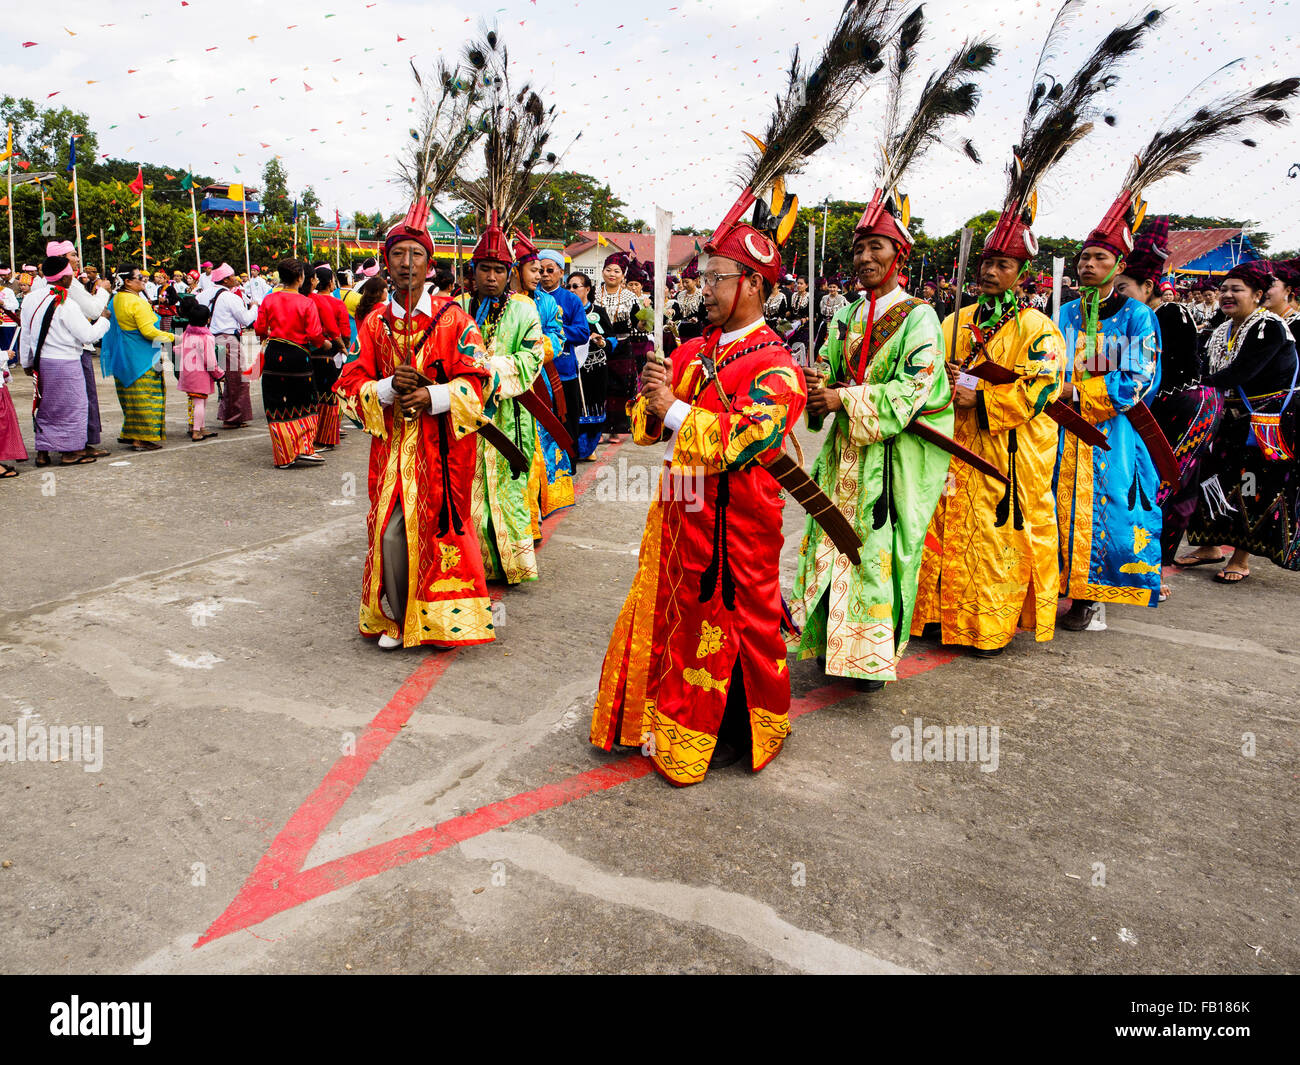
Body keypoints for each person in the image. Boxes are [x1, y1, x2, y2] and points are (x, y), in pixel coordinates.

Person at [590, 218, 807, 785]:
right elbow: (646, 430)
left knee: (732, 616)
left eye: (716, 278)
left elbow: (746, 439)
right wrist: (652, 392)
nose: (703, 288)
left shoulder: (777, 365)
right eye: (703, 278)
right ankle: (668, 720)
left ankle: (732, 731)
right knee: (673, 611)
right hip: (681, 501)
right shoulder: (690, 350)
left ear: (754, 283)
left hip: (736, 517)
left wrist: (674, 409)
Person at [791, 182, 953, 691]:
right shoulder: (844, 314)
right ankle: (829, 642)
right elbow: (825, 366)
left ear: (898, 253)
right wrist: (815, 385)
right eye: (858, 248)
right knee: (829, 545)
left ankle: (867, 658)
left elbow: (913, 389)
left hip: (888, 460)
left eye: (875, 247)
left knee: (876, 551)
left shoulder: (921, 317)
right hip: (843, 454)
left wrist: (844, 399)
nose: (864, 257)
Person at [911, 142, 1067, 657]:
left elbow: (1042, 387)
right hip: (951, 444)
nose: (991, 272)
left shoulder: (1037, 328)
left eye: (1002, 265)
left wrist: (977, 393)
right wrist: (943, 385)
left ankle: (986, 627)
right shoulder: (953, 320)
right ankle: (935, 616)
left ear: (1022, 273)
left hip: (1005, 450)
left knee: (994, 538)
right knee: (941, 525)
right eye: (986, 262)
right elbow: (925, 374)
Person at [334, 206, 497, 651]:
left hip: (441, 451)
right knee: (389, 531)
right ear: (387, 263)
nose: (407, 263)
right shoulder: (373, 323)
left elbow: (483, 382)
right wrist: (385, 387)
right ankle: (404, 617)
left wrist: (434, 396)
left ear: (430, 265)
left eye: (416, 255)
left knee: (440, 527)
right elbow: (347, 386)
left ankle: (439, 619)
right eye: (399, 255)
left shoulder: (455, 321)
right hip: (391, 453)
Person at [1055, 220, 1162, 628]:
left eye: (1100, 258)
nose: (1089, 264)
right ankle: (1060, 585)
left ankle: (1092, 594)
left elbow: (1139, 377)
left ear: (1118, 267)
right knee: (1056, 505)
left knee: (1111, 509)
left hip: (1111, 432)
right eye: (1084, 257)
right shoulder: (1064, 312)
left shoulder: (1137, 316)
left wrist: (1079, 391)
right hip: (1060, 427)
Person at [1115, 218, 1223, 598]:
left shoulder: (1165, 315)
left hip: (1184, 406)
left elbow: (1149, 375)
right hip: (1167, 406)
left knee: (1164, 488)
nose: (1118, 294)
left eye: (1123, 287)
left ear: (1147, 287)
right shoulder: (1139, 316)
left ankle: (1153, 571)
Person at [1182, 261, 1300, 578]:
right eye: (1224, 289)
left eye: (1237, 289)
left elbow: (1242, 372)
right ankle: (1209, 546)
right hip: (1227, 418)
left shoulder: (1269, 327)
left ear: (1258, 294)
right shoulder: (1222, 330)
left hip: (1262, 423)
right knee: (1212, 478)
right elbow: (1206, 367)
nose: (1227, 295)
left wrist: (1196, 387)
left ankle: (1241, 559)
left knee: (1250, 486)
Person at [457, 214, 546, 584]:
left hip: (509, 417)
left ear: (509, 272)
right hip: (464, 416)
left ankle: (513, 564)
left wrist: (490, 370)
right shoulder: (457, 307)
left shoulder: (524, 308)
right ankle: (474, 564)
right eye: (484, 269)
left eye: (498, 270)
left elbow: (533, 357)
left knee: (508, 490)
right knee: (465, 488)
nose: (491, 277)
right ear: (473, 271)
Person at [19, 255, 111, 466]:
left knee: (46, 406)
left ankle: (43, 450)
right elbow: (87, 335)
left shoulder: (31, 298)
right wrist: (104, 320)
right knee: (72, 408)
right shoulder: (65, 303)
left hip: (42, 361)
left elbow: (26, 333)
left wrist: (27, 361)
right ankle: (70, 451)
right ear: (65, 278)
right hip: (65, 362)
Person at [516, 239, 575, 521]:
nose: (539, 276)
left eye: (542, 270)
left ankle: (536, 506)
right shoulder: (489, 303)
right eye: (534, 269)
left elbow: (558, 337)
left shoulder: (547, 301)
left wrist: (531, 350)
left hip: (539, 381)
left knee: (539, 441)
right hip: (501, 384)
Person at [253, 259, 328, 469]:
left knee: (277, 402)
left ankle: (283, 456)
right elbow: (314, 335)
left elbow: (259, 328)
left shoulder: (269, 299)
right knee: (304, 399)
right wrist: (325, 343)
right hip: (298, 355)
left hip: (274, 353)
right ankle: (304, 448)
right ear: (301, 278)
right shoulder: (306, 303)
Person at [102, 265, 176, 452]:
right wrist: (174, 338)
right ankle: (142, 438)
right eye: (139, 277)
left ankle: (131, 433)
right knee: (148, 396)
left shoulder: (117, 298)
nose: (144, 280)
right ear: (127, 281)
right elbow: (149, 331)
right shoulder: (136, 302)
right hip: (141, 356)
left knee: (131, 397)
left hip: (123, 354)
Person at [537, 249, 591, 453]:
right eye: (540, 270)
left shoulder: (571, 300)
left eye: (550, 270)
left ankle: (567, 464)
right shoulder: (527, 297)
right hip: (535, 372)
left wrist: (553, 332)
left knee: (565, 423)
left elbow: (582, 333)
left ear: (561, 272)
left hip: (563, 372)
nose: (544, 274)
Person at [204, 263, 259, 429]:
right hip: (227, 340)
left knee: (220, 379)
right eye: (233, 276)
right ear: (226, 280)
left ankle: (203, 420)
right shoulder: (230, 297)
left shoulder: (202, 294)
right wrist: (254, 307)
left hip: (208, 338)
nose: (236, 278)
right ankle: (233, 417)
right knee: (237, 379)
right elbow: (246, 319)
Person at [567, 271, 611, 457]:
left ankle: (589, 447)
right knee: (573, 407)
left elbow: (611, 338)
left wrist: (601, 341)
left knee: (594, 405)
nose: (571, 290)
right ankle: (574, 448)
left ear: (587, 289)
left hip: (594, 367)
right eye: (568, 286)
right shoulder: (563, 310)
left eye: (575, 286)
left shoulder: (598, 312)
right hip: (573, 367)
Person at [308, 263, 351, 451]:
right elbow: (343, 331)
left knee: (314, 395)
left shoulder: (308, 299)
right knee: (331, 393)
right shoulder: (335, 303)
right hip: (330, 351)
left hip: (309, 352)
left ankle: (312, 433)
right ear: (331, 282)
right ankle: (327, 434)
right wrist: (344, 347)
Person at [596, 252, 639, 437]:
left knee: (619, 387)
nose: (612, 274)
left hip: (622, 347)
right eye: (608, 270)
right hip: (597, 346)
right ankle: (598, 428)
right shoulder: (594, 293)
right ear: (603, 271)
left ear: (623, 275)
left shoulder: (630, 296)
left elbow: (638, 323)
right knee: (599, 386)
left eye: (617, 271)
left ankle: (616, 428)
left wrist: (645, 321)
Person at [176, 297, 224, 441]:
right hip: (200, 374)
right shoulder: (207, 337)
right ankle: (197, 431)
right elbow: (210, 360)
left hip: (187, 372)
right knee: (200, 403)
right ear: (208, 320)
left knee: (198, 401)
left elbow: (179, 349)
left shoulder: (187, 333)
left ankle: (200, 428)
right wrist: (219, 374)